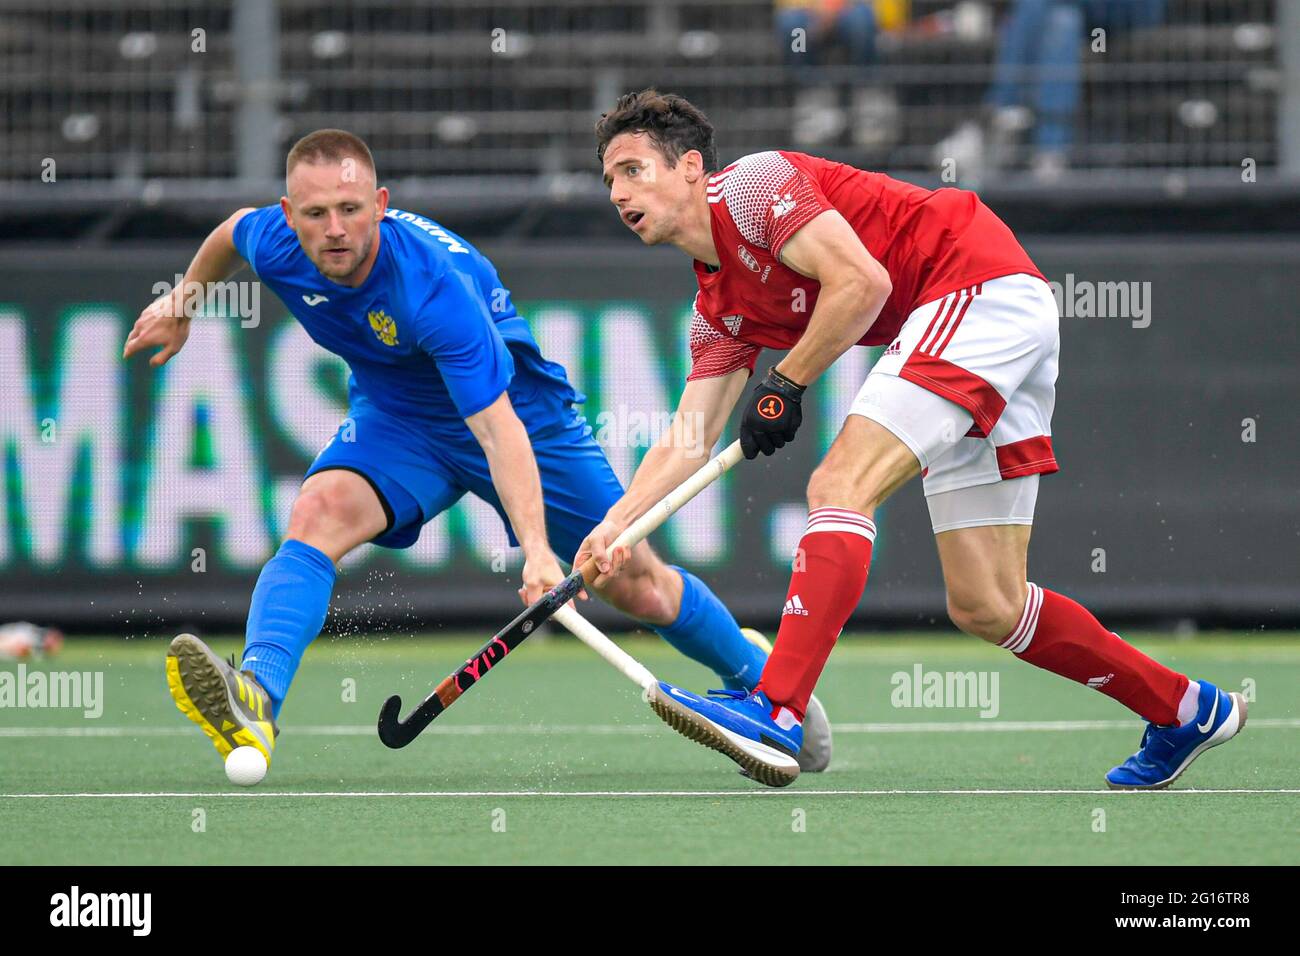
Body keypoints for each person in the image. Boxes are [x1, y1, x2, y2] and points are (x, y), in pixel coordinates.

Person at [579, 89, 1246, 788]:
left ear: (690, 167)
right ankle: (1183, 709)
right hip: (985, 321)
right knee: (988, 603)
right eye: (609, 181)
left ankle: (775, 708)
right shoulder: (715, 313)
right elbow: (691, 437)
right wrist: (616, 528)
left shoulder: (751, 186)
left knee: (839, 486)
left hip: (970, 281)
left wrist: (785, 383)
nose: (620, 192)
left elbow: (861, 284)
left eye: (632, 169)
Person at [123, 128, 832, 776]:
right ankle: (258, 696)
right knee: (317, 511)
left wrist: (537, 554)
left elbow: (499, 434)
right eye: (314, 215)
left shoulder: (431, 289)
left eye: (350, 209)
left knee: (633, 582)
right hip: (402, 419)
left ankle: (762, 684)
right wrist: (182, 304)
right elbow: (228, 235)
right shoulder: (272, 240)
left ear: (381, 203)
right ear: (289, 213)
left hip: (522, 416)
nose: (334, 230)